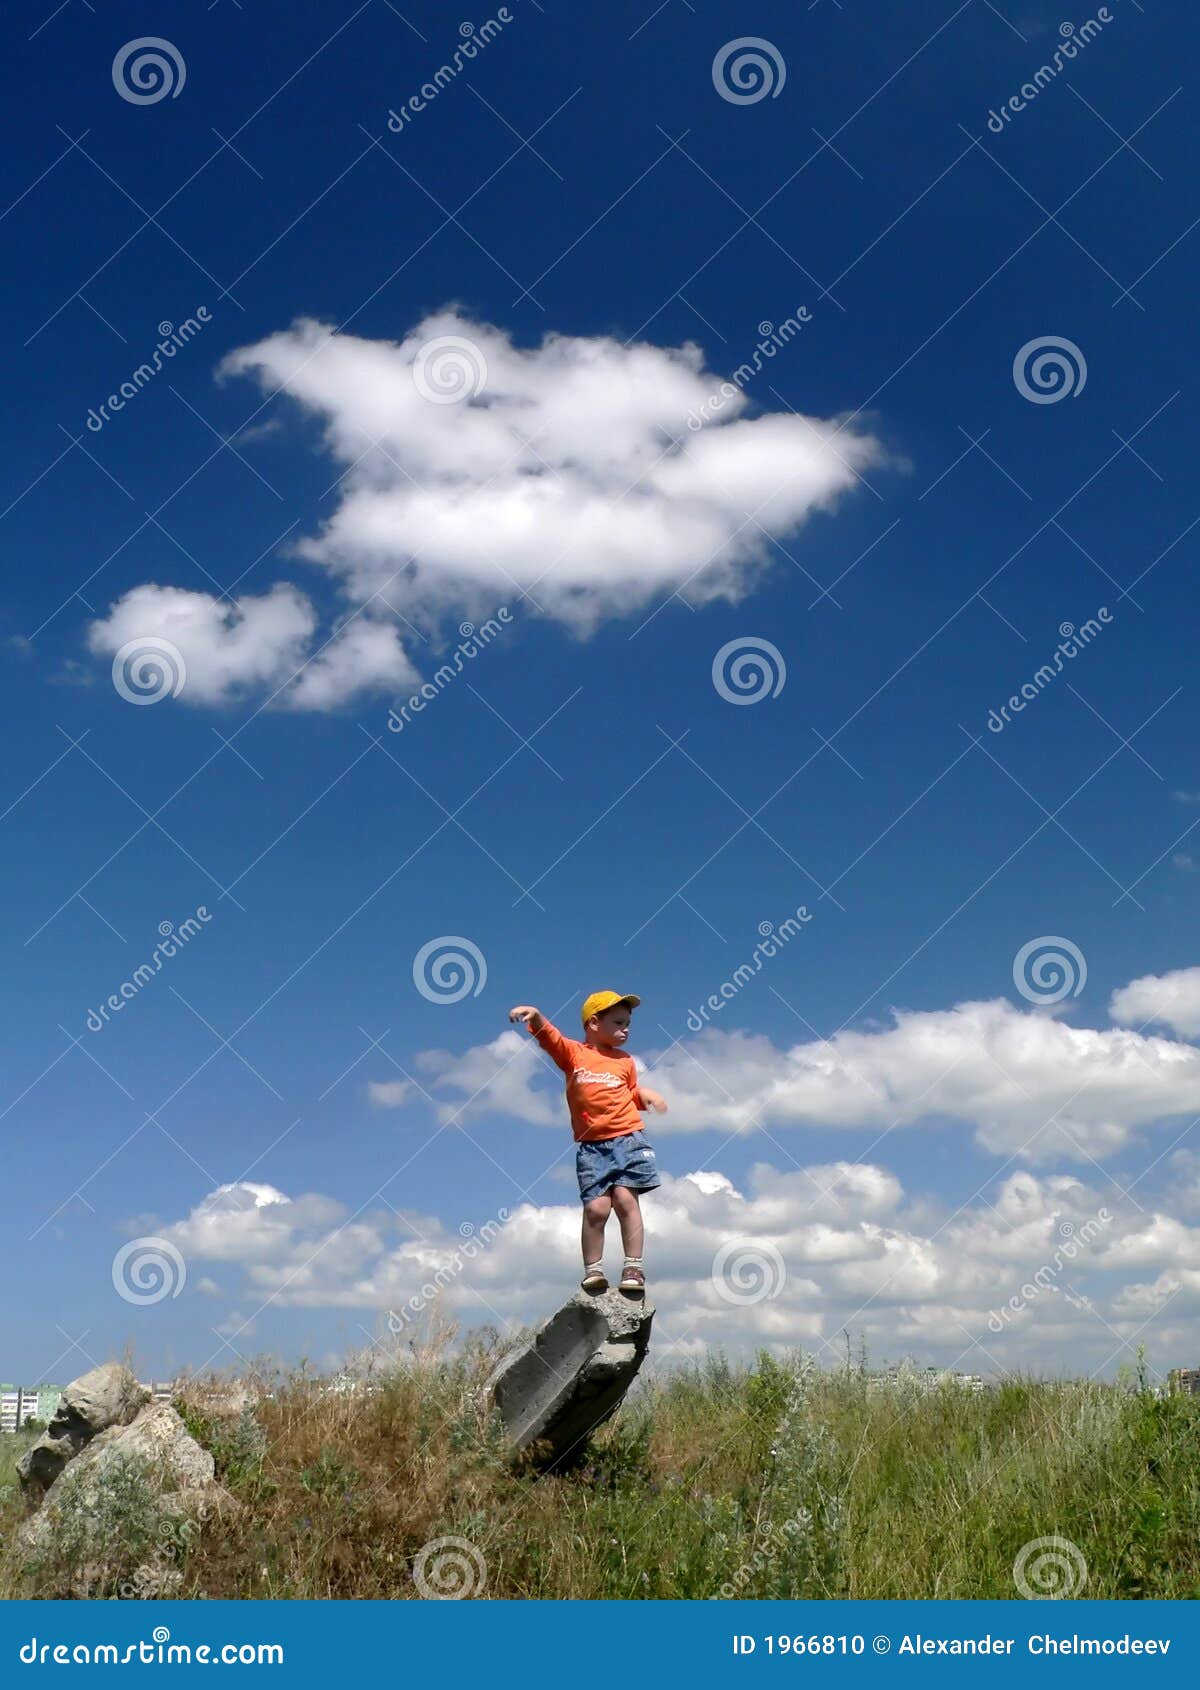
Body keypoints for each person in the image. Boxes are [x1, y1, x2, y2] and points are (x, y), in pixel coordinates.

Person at [508, 992, 667, 1293]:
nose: (627, 1029)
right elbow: (551, 1039)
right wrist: (536, 1015)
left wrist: (643, 1096)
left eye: (628, 1023)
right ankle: (593, 1270)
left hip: (627, 1138)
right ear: (594, 1022)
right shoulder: (574, 1055)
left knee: (624, 1200)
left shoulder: (625, 1061)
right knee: (596, 1209)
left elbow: (628, 1091)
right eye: (619, 1022)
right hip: (592, 1147)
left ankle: (634, 1267)